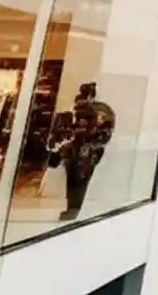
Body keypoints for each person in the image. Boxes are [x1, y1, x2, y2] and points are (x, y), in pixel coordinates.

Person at [59, 82, 115, 221]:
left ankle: (75, 207)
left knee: (80, 178)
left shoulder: (100, 110)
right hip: (77, 148)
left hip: (87, 149)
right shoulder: (86, 110)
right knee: (73, 178)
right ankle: (73, 206)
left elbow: (105, 131)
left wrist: (92, 143)